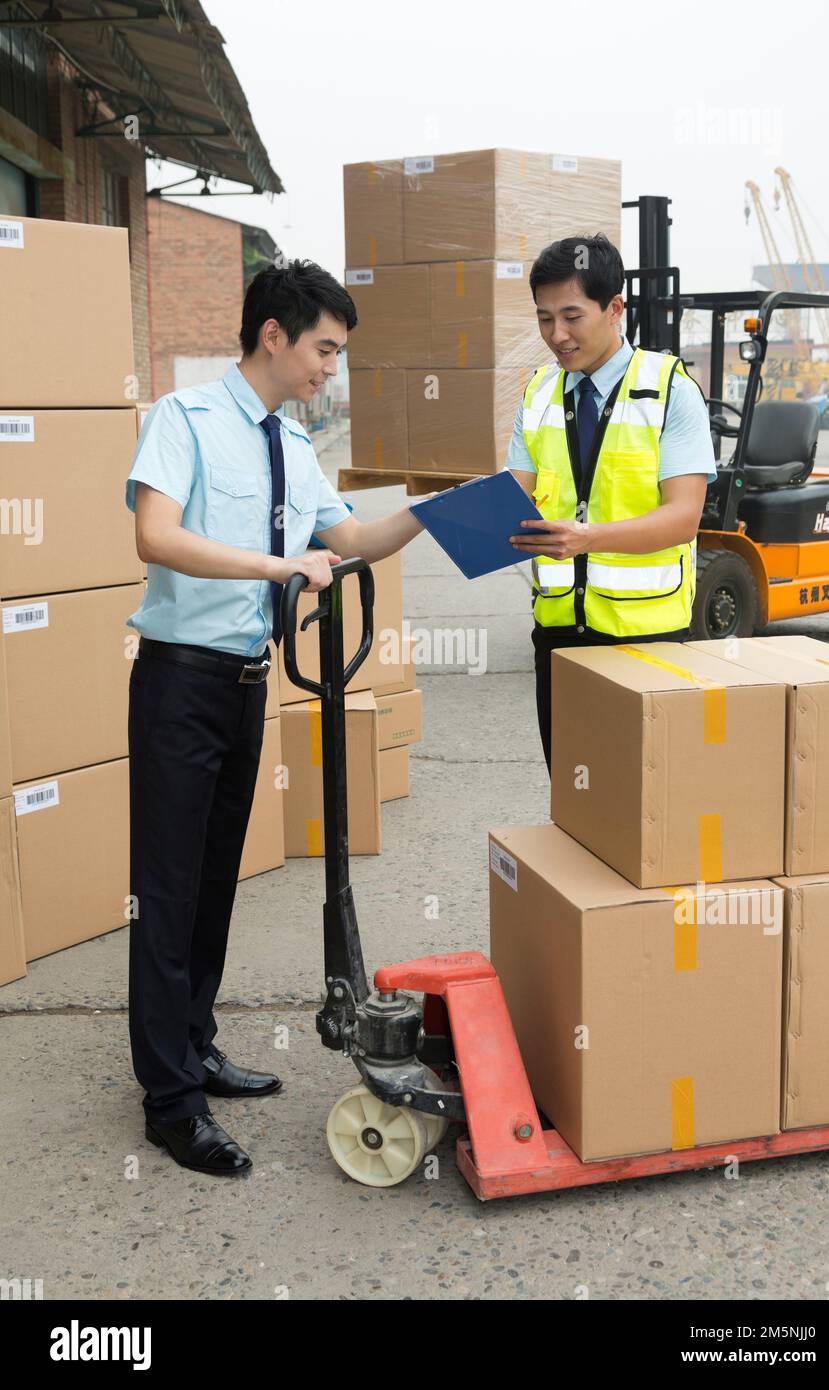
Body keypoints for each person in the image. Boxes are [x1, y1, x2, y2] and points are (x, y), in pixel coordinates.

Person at [124, 260, 424, 1177]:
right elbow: (155, 534)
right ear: (274, 336)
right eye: (325, 349)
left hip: (250, 681)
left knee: (216, 880)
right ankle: (169, 1104)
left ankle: (197, 1046)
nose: (332, 367)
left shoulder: (294, 443)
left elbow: (350, 541)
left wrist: (438, 513)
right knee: (169, 888)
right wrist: (275, 570)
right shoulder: (183, 421)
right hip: (179, 681)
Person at [507, 235, 717, 771]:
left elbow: (683, 518)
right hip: (558, 634)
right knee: (573, 797)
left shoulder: (671, 389)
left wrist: (588, 538)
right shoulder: (537, 394)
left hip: (645, 636)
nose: (557, 335)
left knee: (643, 800)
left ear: (615, 308)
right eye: (544, 318)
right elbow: (517, 494)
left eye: (572, 316)